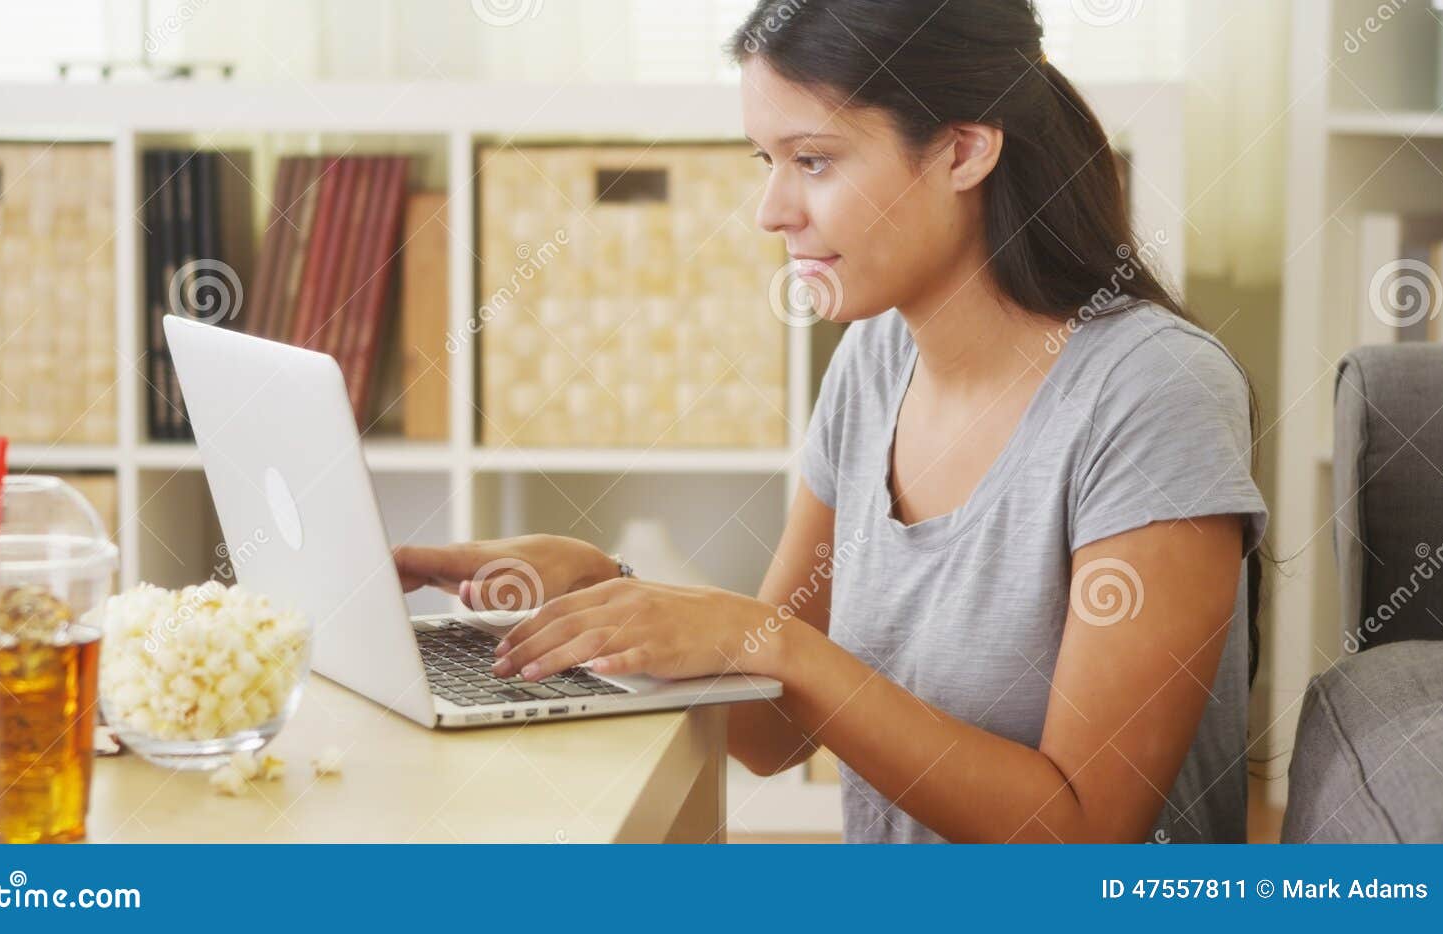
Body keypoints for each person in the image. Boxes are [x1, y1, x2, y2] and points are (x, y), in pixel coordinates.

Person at [394, 0, 1267, 844]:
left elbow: (1082, 837)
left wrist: (780, 649)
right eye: (764, 161)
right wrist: (603, 596)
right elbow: (774, 735)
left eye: (812, 160)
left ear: (964, 150)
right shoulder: (876, 362)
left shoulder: (1154, 396)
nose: (772, 210)